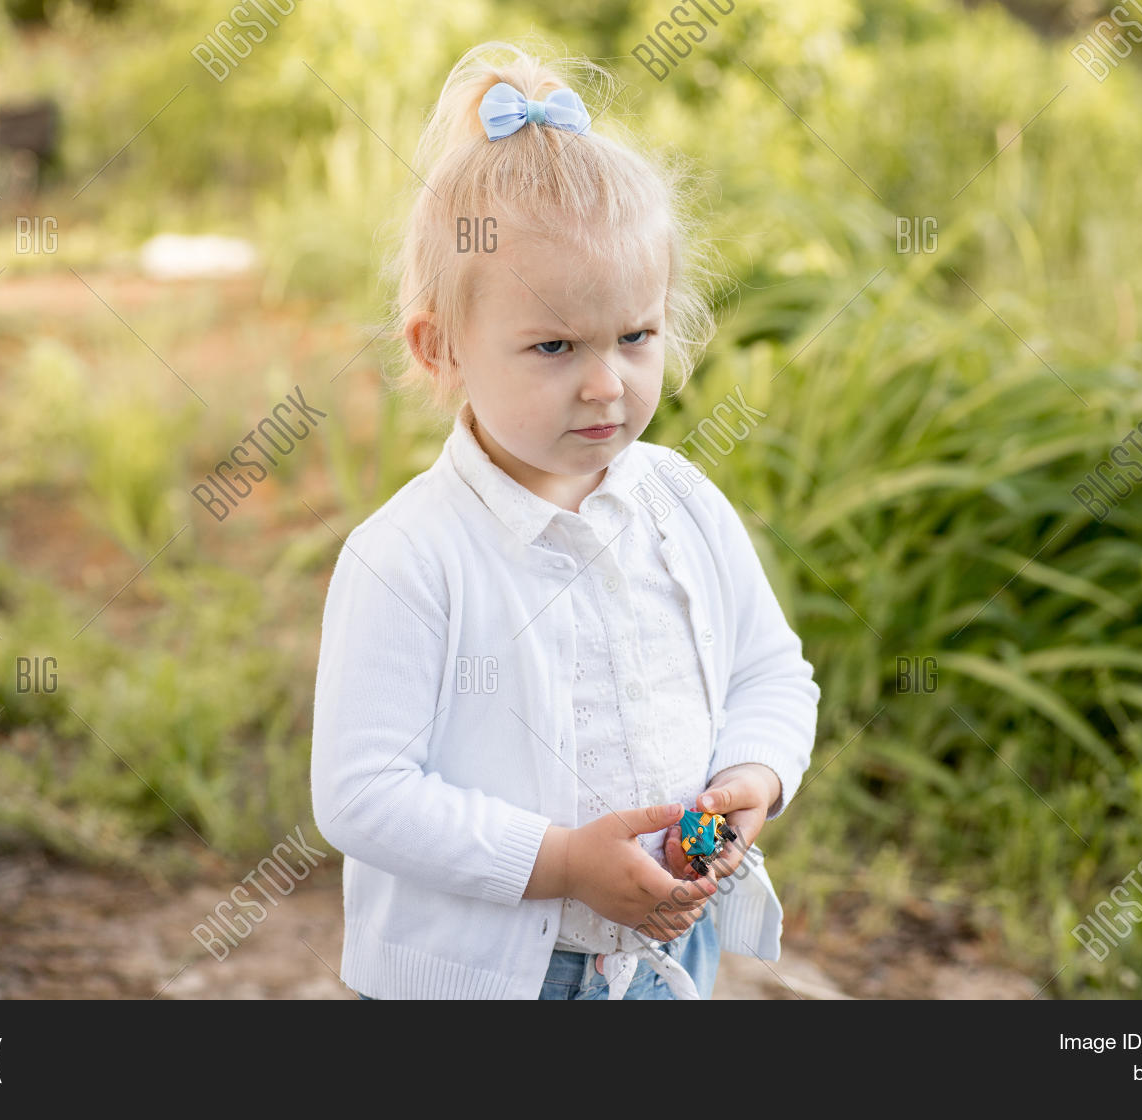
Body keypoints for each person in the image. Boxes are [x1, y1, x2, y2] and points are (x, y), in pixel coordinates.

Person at [311, 39, 820, 1000]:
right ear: (440, 347)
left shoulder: (682, 505)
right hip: (483, 983)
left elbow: (772, 672)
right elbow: (361, 793)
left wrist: (756, 777)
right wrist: (560, 864)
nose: (605, 383)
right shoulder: (408, 558)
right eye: (553, 345)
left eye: (636, 337)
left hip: (668, 961)